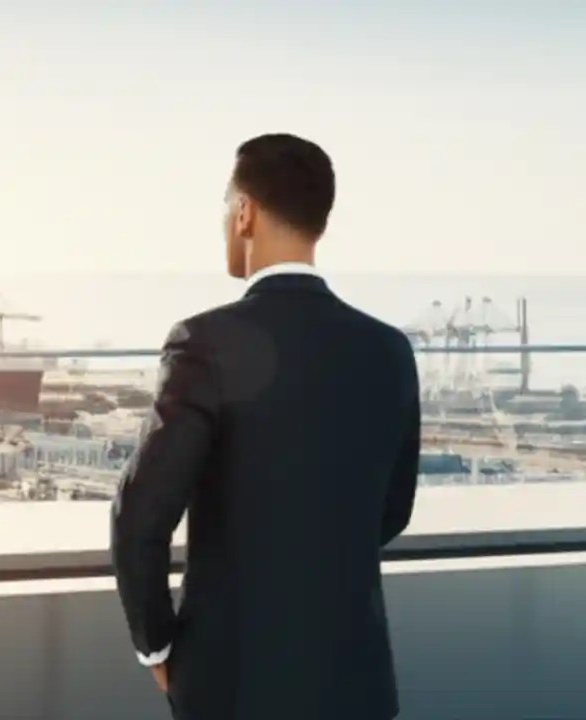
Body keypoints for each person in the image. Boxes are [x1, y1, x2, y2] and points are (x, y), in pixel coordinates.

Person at [111, 133, 420, 719]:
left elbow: (140, 516)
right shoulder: (388, 349)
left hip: (233, 684)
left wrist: (156, 645)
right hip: (357, 680)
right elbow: (393, 509)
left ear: (245, 213)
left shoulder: (203, 343)